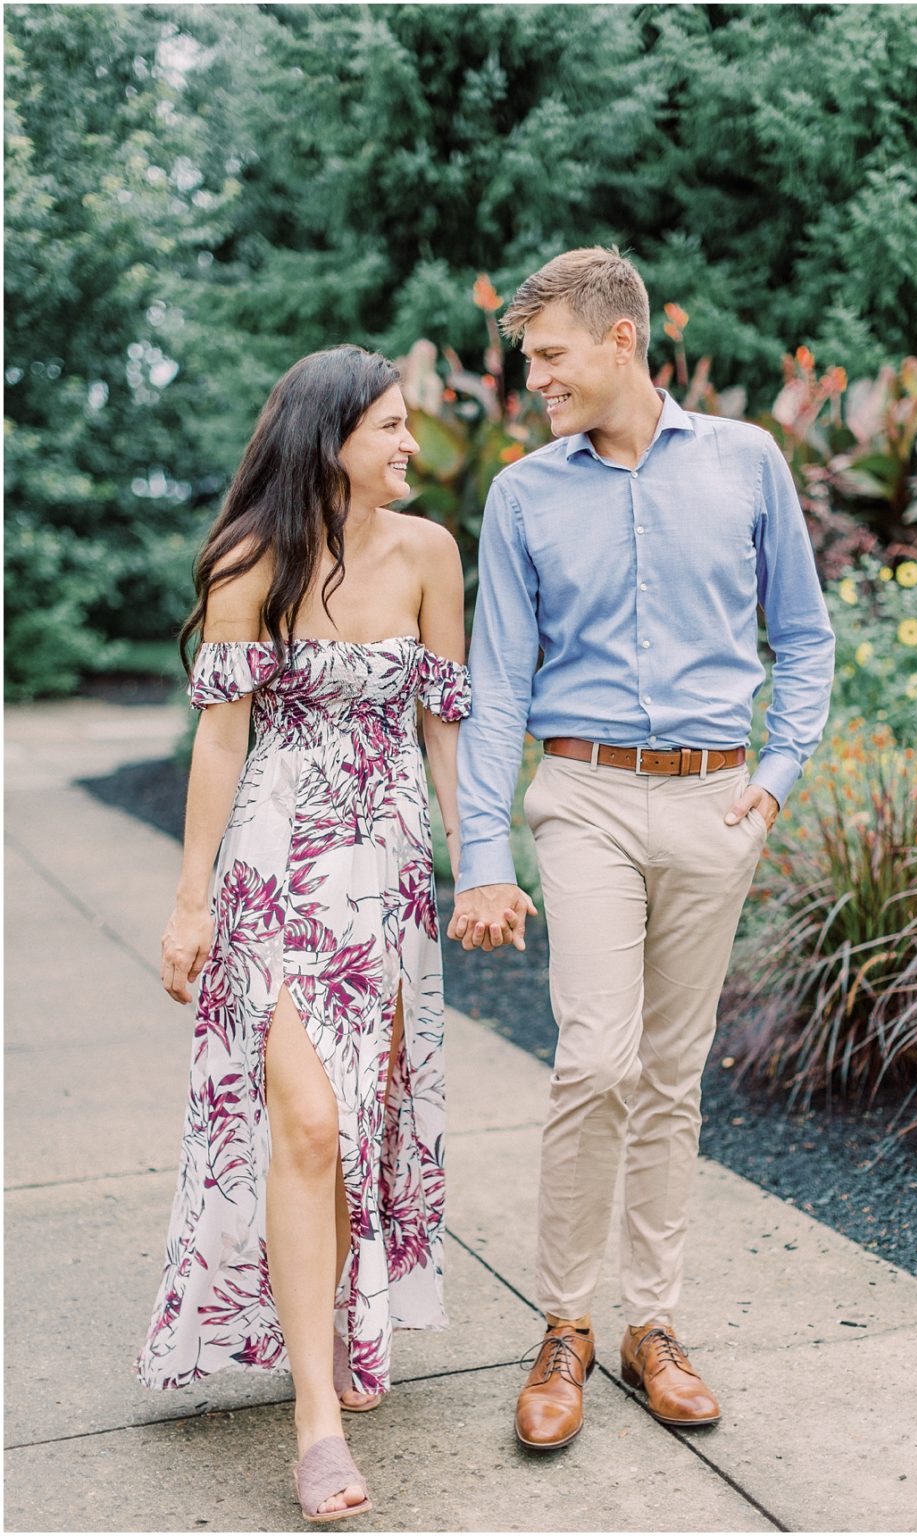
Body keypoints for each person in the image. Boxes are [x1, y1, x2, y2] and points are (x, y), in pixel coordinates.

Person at [449, 247, 835, 1449]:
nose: (535, 380)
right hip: (584, 798)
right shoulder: (523, 495)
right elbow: (495, 685)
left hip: (716, 804)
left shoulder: (746, 461)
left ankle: (649, 1324)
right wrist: (482, 853)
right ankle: (564, 1324)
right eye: (529, 360)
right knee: (593, 1061)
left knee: (671, 1074)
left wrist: (775, 777)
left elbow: (805, 637)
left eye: (550, 355)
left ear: (621, 338)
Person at [136, 344, 470, 1521]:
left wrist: (480, 862)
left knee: (355, 1126)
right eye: (388, 426)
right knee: (312, 1123)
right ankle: (315, 1424)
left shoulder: (429, 553)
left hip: (387, 886)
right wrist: (190, 901)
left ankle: (329, 1327)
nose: (408, 444)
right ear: (329, 439)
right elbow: (221, 739)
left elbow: (444, 724)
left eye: (407, 425)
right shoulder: (251, 561)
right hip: (275, 879)